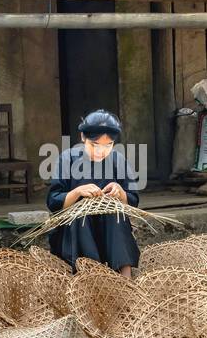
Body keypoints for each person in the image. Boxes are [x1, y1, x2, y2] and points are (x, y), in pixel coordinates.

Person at [46, 110, 140, 275]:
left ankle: (126, 278)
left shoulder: (118, 160)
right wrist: (77, 192)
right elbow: (54, 201)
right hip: (75, 230)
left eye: (108, 145)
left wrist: (120, 193)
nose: (100, 151)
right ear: (83, 137)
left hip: (110, 232)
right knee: (80, 216)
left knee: (114, 212)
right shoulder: (67, 159)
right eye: (94, 144)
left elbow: (132, 201)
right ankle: (91, 273)